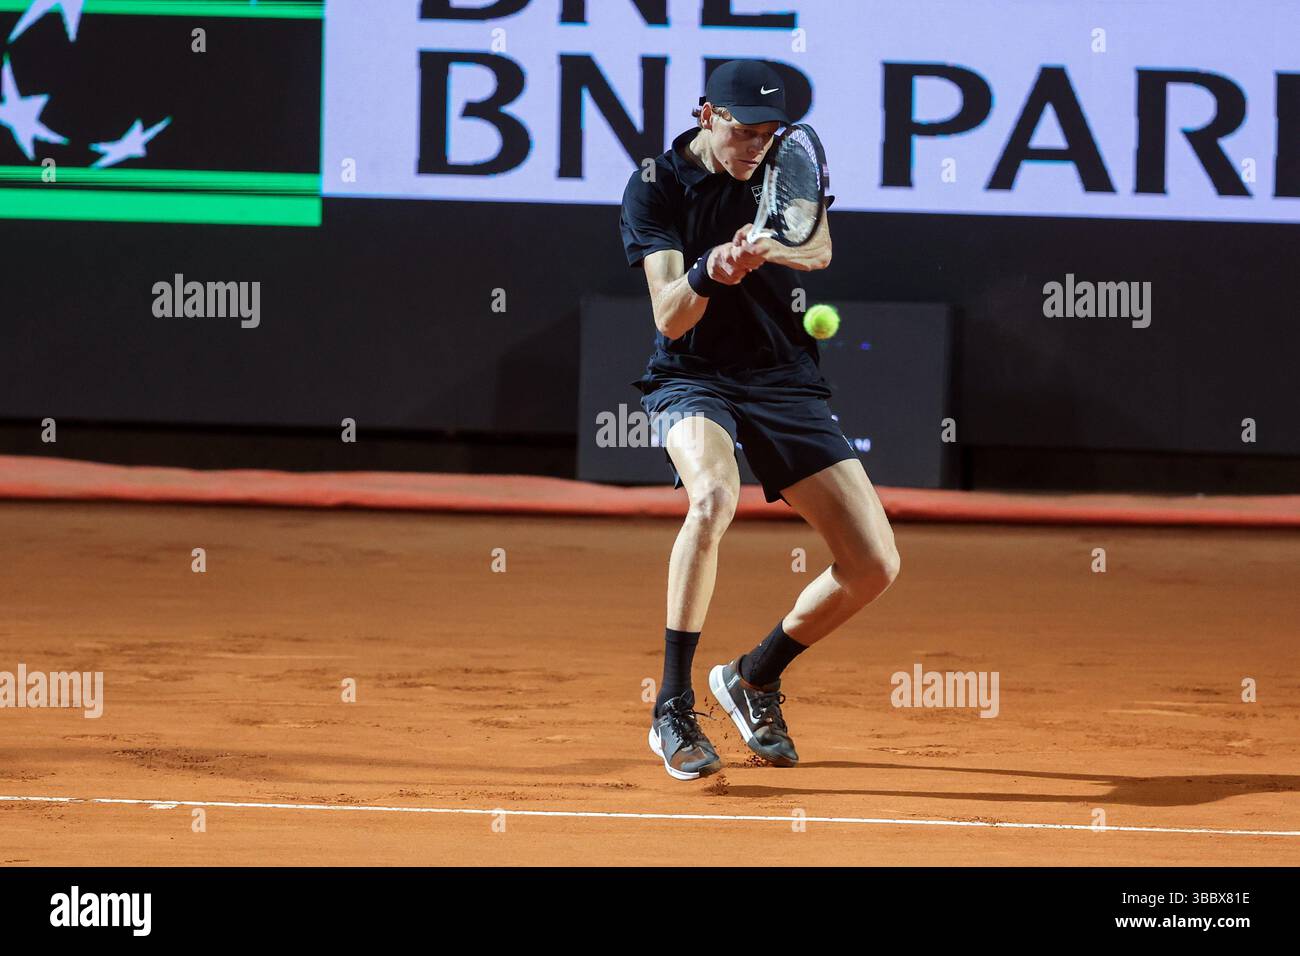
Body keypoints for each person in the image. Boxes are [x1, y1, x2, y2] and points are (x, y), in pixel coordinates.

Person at [619, 60, 901, 781]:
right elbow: (669, 315)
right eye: (744, 131)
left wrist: (768, 248)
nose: (757, 145)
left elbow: (818, 246)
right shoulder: (655, 185)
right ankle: (672, 707)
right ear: (707, 114)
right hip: (692, 375)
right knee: (714, 497)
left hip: (782, 376)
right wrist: (712, 270)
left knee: (874, 565)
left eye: (769, 133)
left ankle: (754, 676)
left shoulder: (784, 160)